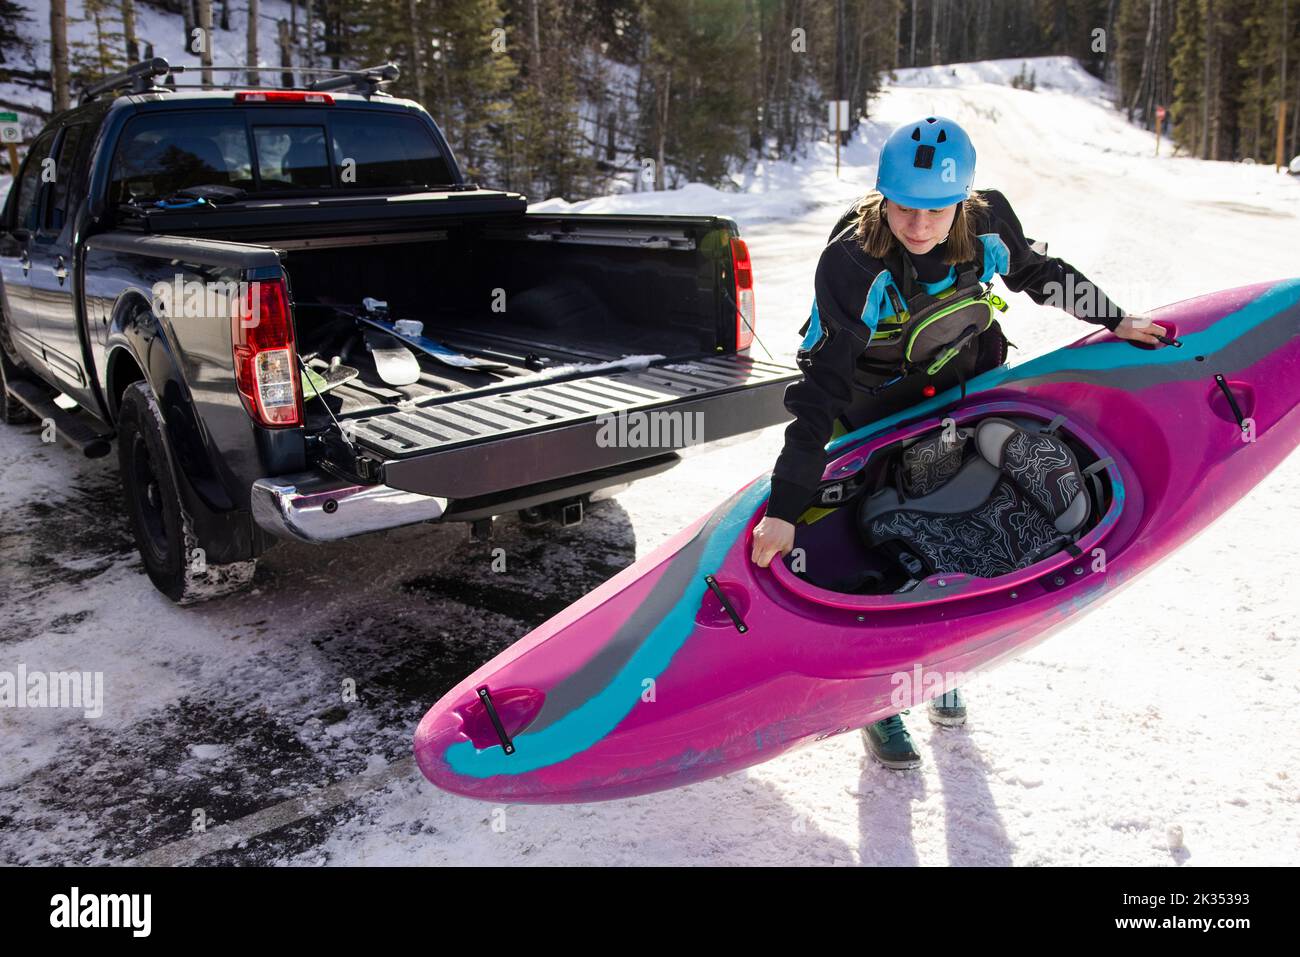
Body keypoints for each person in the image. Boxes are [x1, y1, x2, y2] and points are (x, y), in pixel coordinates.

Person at [749, 115, 1168, 771]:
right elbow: (819, 388)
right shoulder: (853, 262)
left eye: (937, 210)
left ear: (963, 202)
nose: (919, 226)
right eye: (905, 208)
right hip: (869, 402)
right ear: (882, 197)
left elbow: (1039, 273)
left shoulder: (987, 223)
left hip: (960, 381)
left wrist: (1116, 318)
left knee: (957, 515)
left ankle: (939, 663)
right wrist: (784, 505)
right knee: (870, 532)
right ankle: (877, 700)